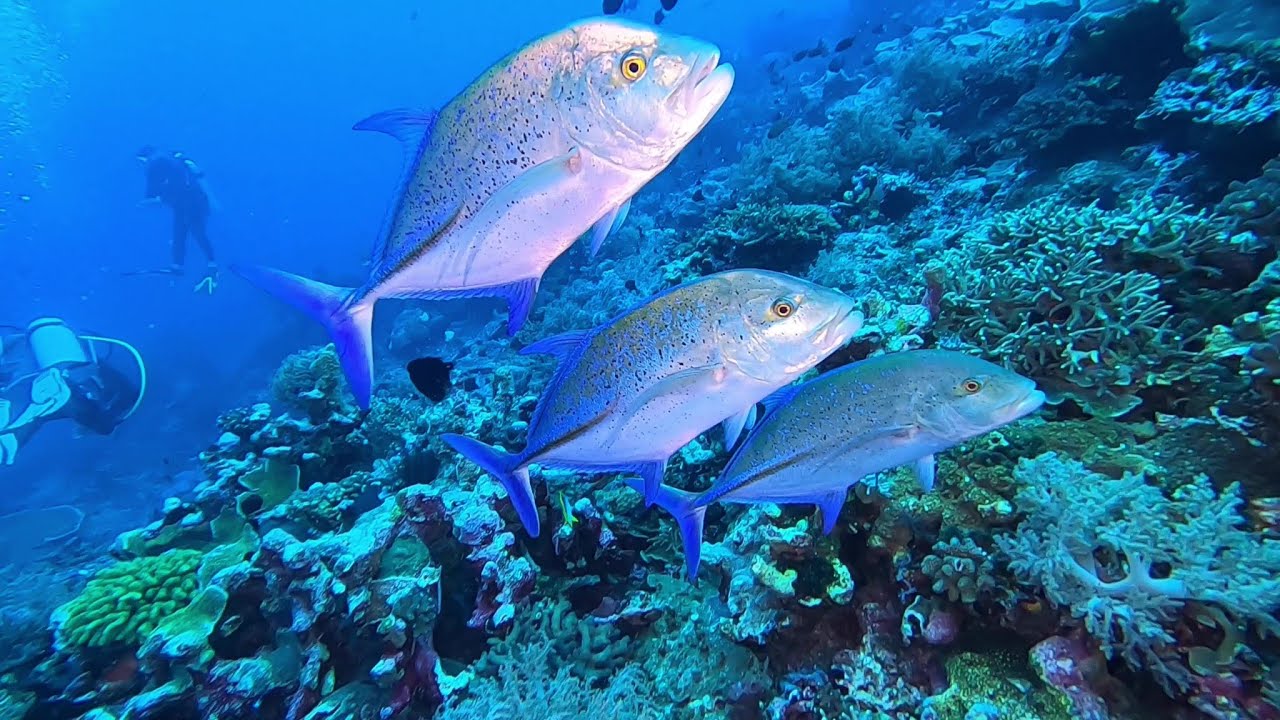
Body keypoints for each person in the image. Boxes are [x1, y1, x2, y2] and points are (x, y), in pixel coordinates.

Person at [0, 319, 146, 465]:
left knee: (27, 420)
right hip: (63, 389)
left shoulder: (16, 353)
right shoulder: (78, 357)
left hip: (49, 392)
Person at [133, 145, 219, 293]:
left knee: (185, 232)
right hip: (192, 202)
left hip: (186, 203)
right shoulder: (172, 161)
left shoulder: (155, 166)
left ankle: (182, 265)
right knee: (189, 232)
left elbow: (158, 192)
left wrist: (154, 200)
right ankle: (205, 263)